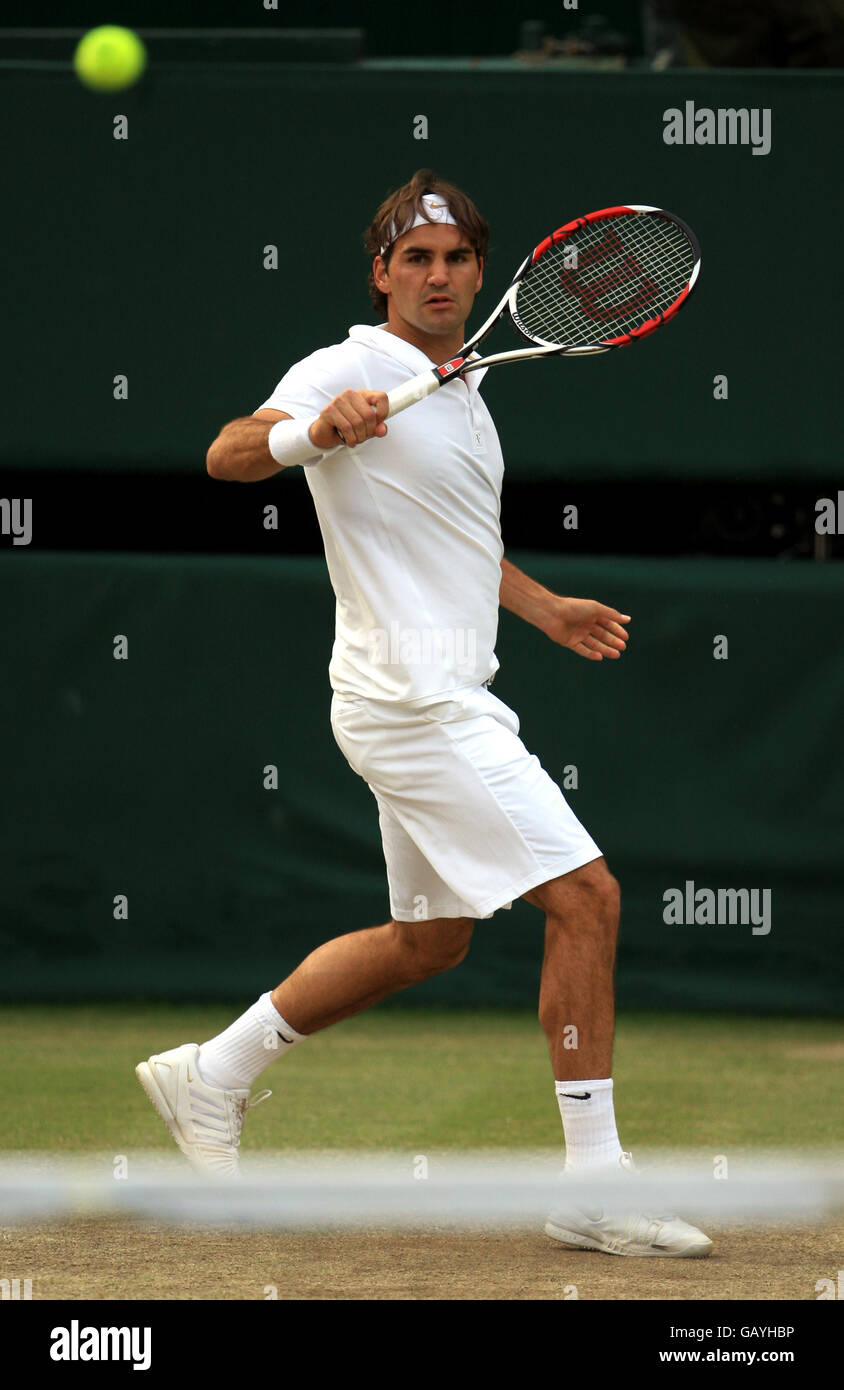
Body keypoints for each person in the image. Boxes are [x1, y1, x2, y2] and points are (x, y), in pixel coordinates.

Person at [136, 169, 712, 1258]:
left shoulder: (462, 391)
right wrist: (315, 429)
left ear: (481, 273)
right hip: (412, 699)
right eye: (416, 258)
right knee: (587, 898)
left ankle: (211, 1074)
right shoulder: (349, 362)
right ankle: (595, 1183)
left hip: (433, 692)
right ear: (382, 273)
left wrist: (542, 606)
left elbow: (449, 538)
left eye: (455, 259)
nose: (437, 275)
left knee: (427, 940)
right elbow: (225, 455)